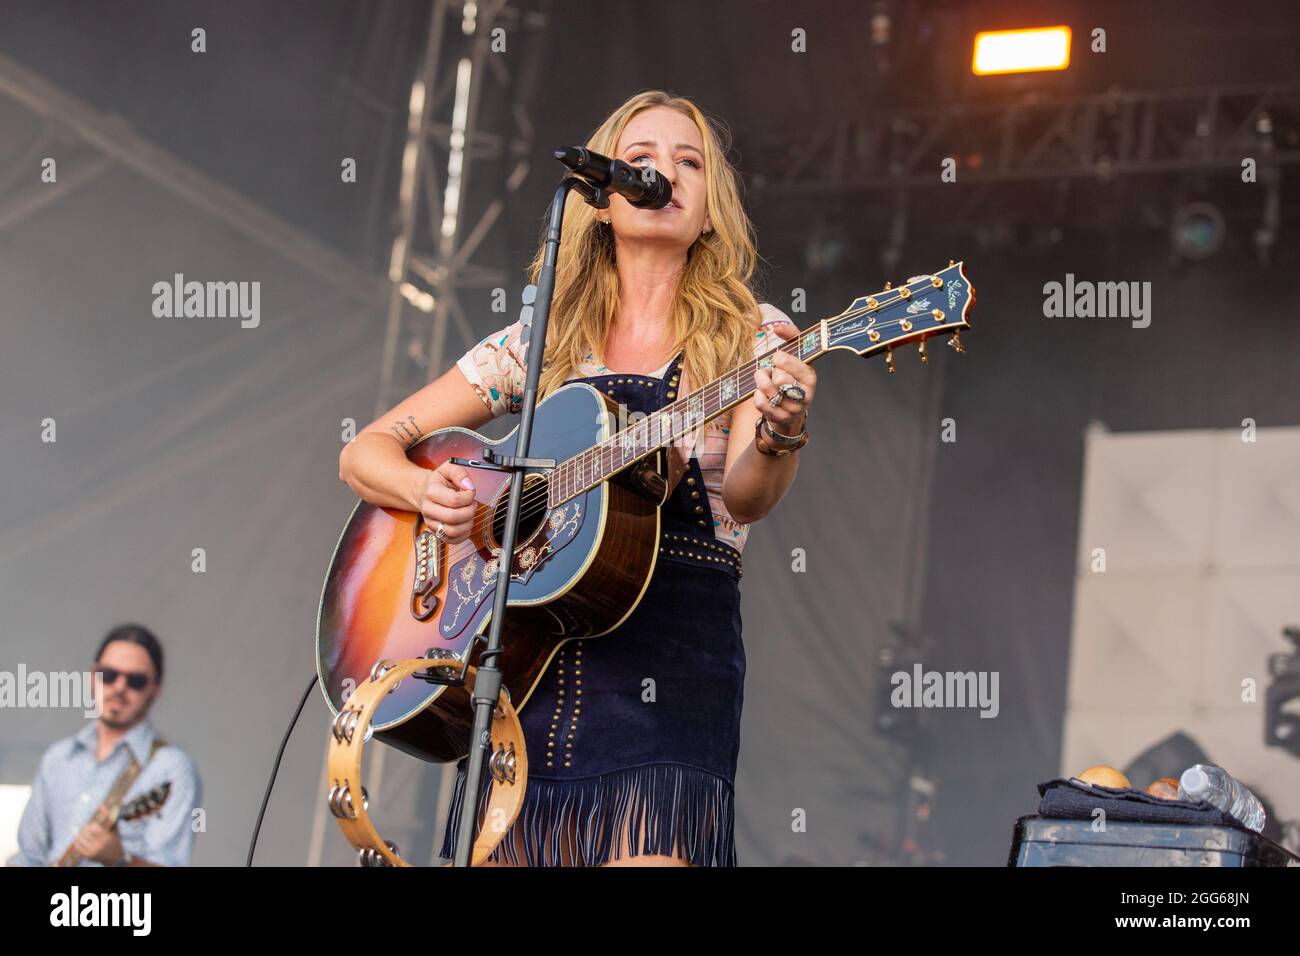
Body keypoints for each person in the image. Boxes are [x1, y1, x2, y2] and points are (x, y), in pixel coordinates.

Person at [338, 89, 816, 866]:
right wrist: (430, 493)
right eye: (641, 161)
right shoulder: (544, 339)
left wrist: (782, 429)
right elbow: (366, 452)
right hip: (531, 667)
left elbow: (747, 497)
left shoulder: (749, 332)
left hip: (673, 659)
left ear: (708, 210)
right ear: (600, 200)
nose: (664, 173)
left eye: (688, 163)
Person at [13, 624, 202, 866]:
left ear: (155, 689)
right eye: (109, 675)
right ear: (93, 676)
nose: (119, 687)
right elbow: (29, 857)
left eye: (135, 680)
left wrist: (120, 859)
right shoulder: (58, 758)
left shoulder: (171, 768)